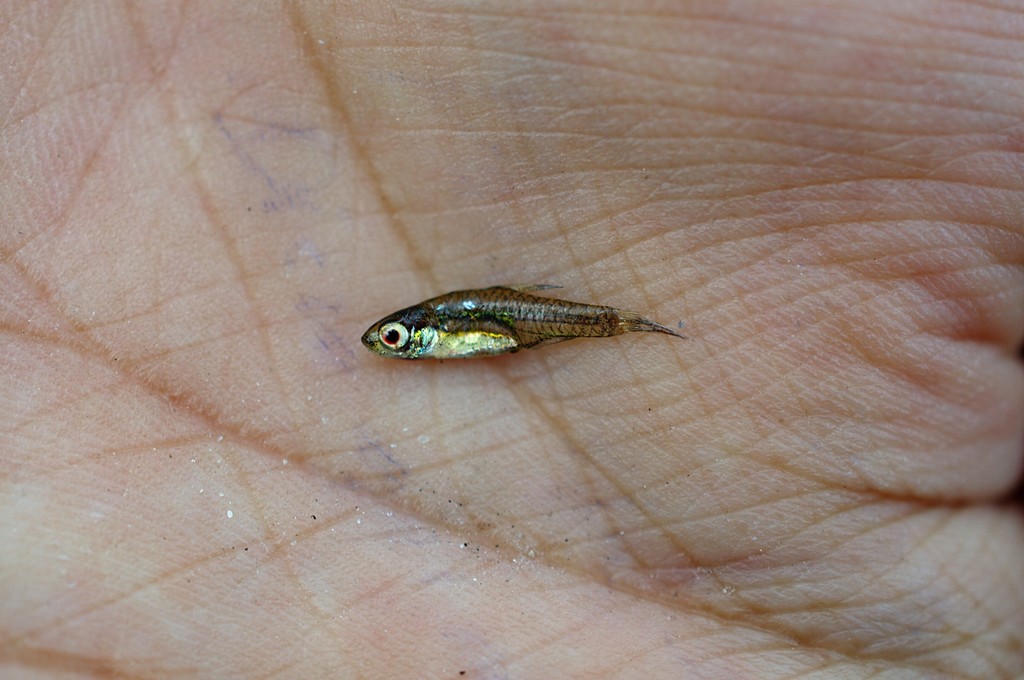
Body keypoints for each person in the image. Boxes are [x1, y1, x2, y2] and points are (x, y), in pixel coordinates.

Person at [2, 2, 1021, 677]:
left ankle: (630, 324)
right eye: (395, 337)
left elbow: (484, 321)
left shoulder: (466, 322)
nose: (393, 343)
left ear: (423, 332)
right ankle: (628, 325)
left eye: (397, 335)